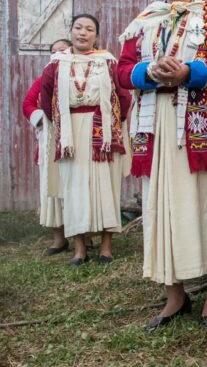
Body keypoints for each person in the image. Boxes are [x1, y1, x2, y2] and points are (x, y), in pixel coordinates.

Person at [117, 0, 207, 330]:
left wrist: (191, 70)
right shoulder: (143, 22)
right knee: (162, 210)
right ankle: (175, 295)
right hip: (156, 127)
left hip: (203, 131)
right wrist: (149, 71)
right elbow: (122, 71)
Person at [40, 16, 130, 266]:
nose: (83, 33)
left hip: (103, 134)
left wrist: (111, 126)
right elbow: (46, 99)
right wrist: (63, 128)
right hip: (71, 134)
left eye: (89, 29)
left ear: (96, 35)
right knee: (74, 188)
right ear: (70, 31)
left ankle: (106, 246)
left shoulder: (108, 61)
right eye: (78, 28)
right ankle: (79, 248)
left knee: (105, 186)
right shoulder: (56, 64)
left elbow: (123, 96)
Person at [23, 38, 70, 255]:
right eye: (53, 51)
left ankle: (84, 237)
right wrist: (45, 121)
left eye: (62, 50)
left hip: (73, 141)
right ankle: (59, 238)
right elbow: (28, 104)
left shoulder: (80, 75)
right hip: (49, 141)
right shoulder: (43, 79)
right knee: (51, 190)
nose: (57, 54)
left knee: (74, 188)